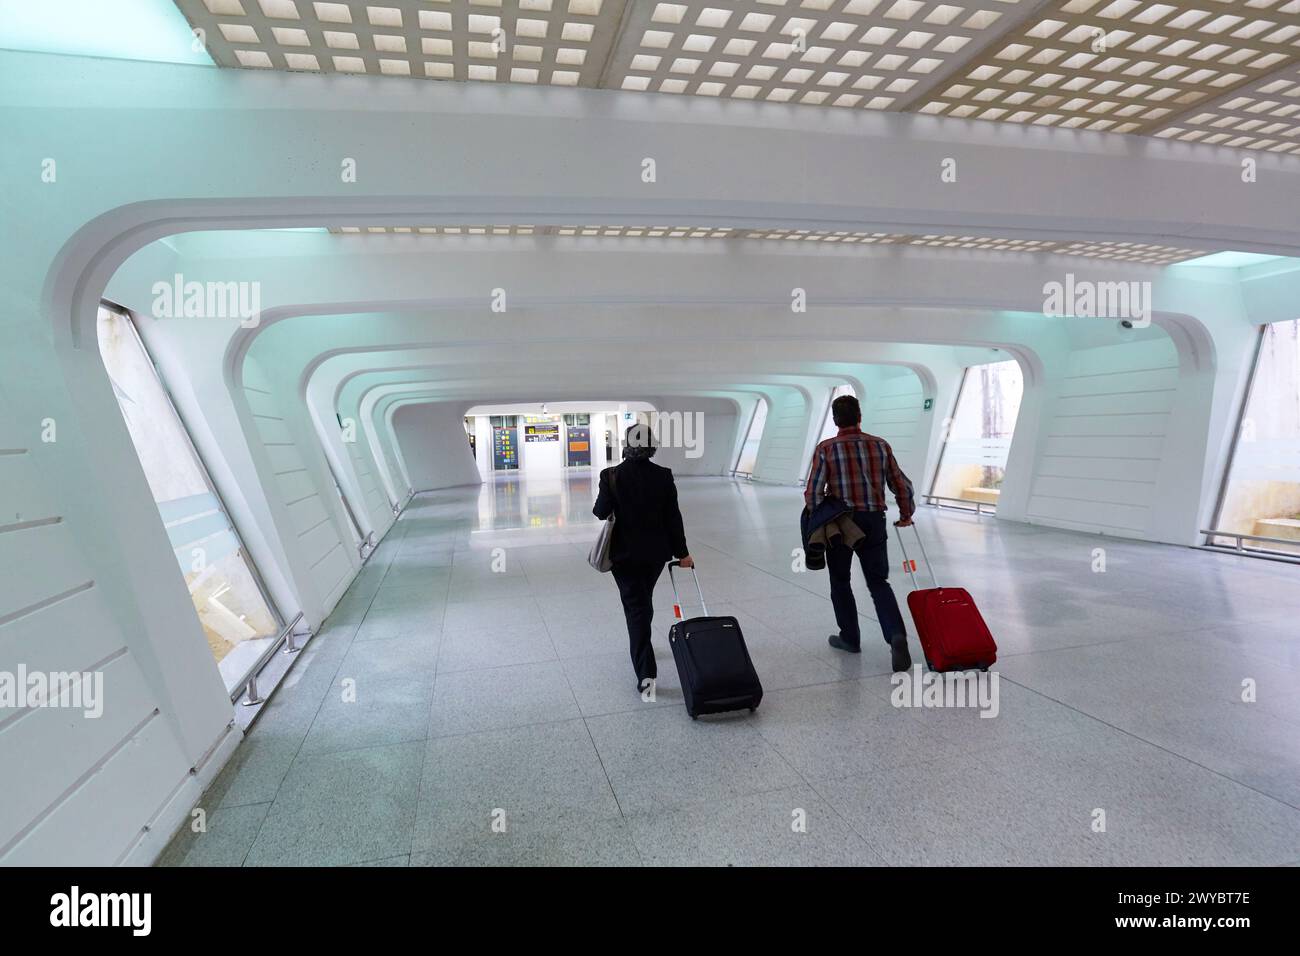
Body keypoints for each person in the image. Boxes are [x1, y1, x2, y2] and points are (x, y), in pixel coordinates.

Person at [803, 395, 915, 671]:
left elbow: (813, 493)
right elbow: (900, 484)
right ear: (859, 416)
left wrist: (819, 517)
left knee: (840, 581)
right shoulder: (880, 445)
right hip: (874, 520)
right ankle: (896, 636)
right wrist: (905, 513)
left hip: (841, 524)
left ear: (834, 420)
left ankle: (850, 638)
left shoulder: (826, 449)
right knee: (879, 583)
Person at [593, 422, 693, 695]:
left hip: (623, 557)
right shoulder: (663, 475)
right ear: (651, 445)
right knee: (642, 600)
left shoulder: (611, 475)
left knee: (635, 608)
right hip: (654, 555)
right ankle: (644, 644)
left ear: (626, 444)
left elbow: (600, 512)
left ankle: (646, 673)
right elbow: (674, 517)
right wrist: (682, 553)